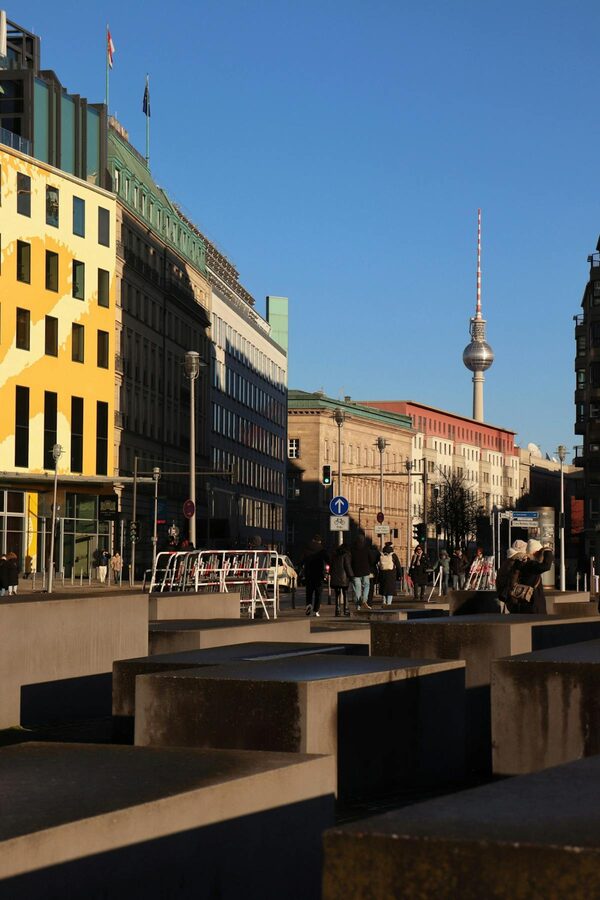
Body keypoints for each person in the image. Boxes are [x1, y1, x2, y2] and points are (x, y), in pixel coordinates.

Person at [512, 539, 554, 614]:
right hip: (534, 605)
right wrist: (548, 551)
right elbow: (546, 566)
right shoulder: (532, 565)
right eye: (541, 553)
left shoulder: (523, 563)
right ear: (536, 553)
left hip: (524, 603)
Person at [496, 539, 528, 611]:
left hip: (508, 596)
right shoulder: (516, 563)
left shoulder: (507, 562)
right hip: (515, 597)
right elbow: (513, 581)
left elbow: (499, 580)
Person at [301, 535, 328, 617]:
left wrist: (302, 567)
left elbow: (301, 560)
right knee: (318, 593)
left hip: (309, 574)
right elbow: (328, 559)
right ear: (320, 541)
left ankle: (309, 605)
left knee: (309, 592)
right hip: (319, 574)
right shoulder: (322, 549)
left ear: (313, 540)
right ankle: (316, 610)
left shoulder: (306, 548)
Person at [350, 533, 373, 610]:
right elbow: (371, 559)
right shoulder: (366, 549)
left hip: (355, 572)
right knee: (366, 585)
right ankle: (364, 599)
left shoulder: (352, 550)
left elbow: (350, 561)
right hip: (365, 571)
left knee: (357, 589)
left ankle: (358, 606)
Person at [329, 543, 353, 617]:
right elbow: (347, 566)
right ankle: (346, 610)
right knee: (345, 593)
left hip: (335, 577)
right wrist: (351, 575)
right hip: (344, 578)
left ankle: (337, 610)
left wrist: (331, 574)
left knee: (337, 594)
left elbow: (331, 566)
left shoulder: (334, 555)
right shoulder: (346, 555)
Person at [378, 542, 403, 606]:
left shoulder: (381, 554)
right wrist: (400, 575)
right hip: (391, 574)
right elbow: (398, 565)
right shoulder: (393, 555)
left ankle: (384, 601)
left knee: (383, 588)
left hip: (383, 573)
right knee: (390, 589)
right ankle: (388, 603)